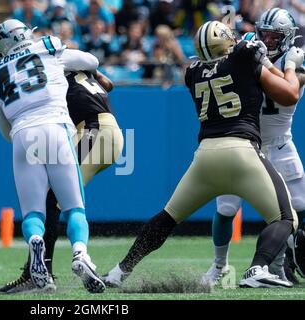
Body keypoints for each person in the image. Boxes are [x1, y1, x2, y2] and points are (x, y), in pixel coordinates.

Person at [102, 20, 303, 289]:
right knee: (286, 218)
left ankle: (119, 271)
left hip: (205, 156)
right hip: (242, 151)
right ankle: (258, 267)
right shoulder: (245, 57)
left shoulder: (192, 71)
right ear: (226, 42)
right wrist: (284, 65)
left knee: (167, 217)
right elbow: (288, 94)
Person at [0, 19, 106, 293]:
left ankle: (36, 240)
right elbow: (91, 61)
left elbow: (4, 128)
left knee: (33, 214)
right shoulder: (47, 47)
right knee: (74, 207)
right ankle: (80, 254)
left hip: (22, 135)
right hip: (56, 126)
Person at [0, 69, 123, 293]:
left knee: (54, 200)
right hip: (107, 130)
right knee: (55, 199)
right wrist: (94, 71)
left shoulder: (52, 75)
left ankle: (41, 272)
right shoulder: (82, 73)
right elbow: (109, 84)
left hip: (93, 130)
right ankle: (44, 269)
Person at [206, 8, 305, 286]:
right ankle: (218, 266)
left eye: (276, 36)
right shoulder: (248, 46)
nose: (269, 40)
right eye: (265, 34)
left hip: (281, 142)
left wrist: (267, 61)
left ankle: (285, 260)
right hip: (244, 141)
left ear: (288, 38)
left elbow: (289, 92)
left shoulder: (296, 58)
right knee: (226, 207)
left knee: (300, 207)